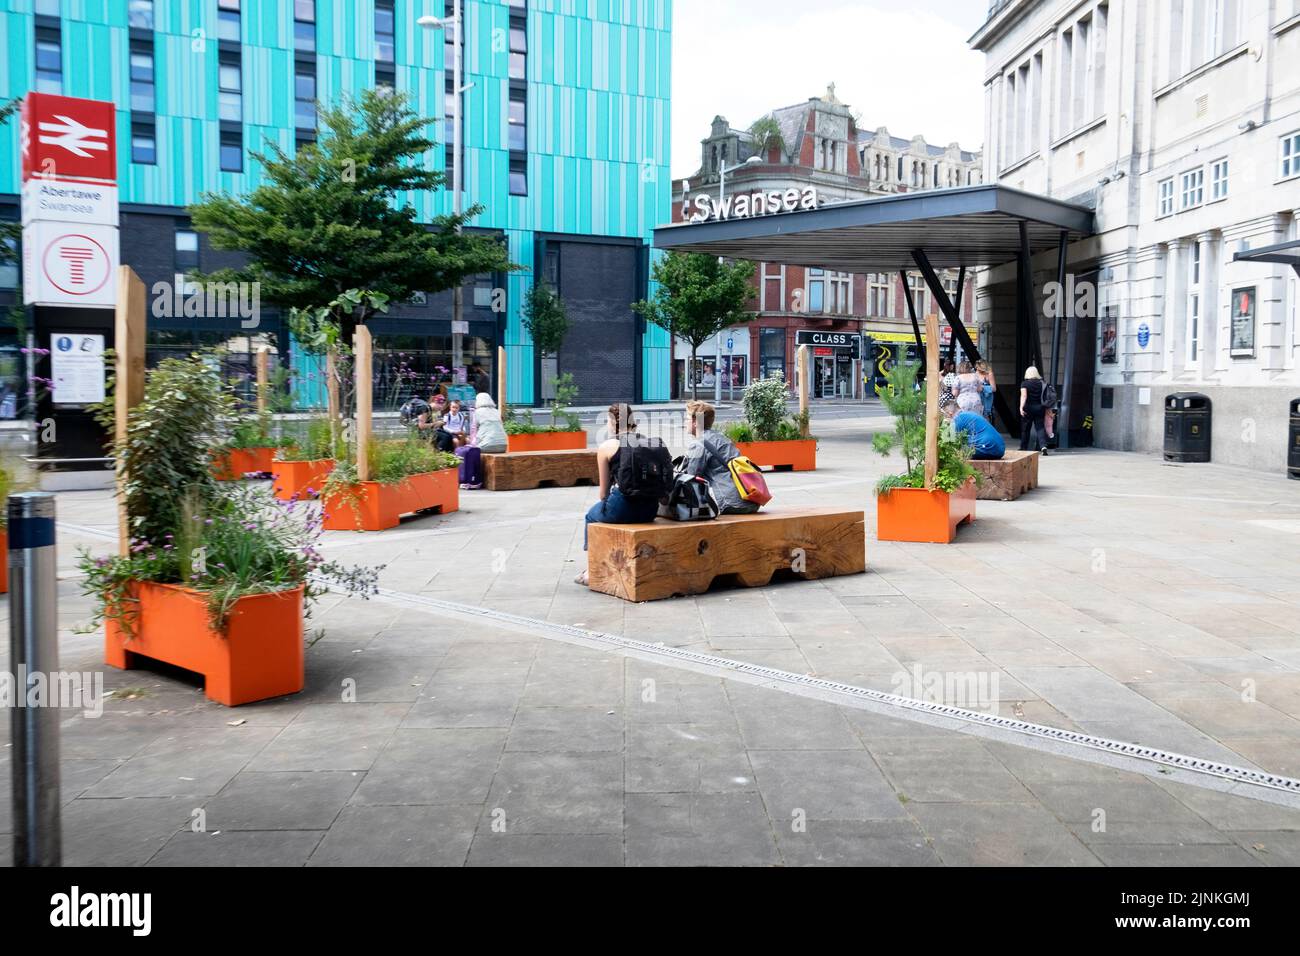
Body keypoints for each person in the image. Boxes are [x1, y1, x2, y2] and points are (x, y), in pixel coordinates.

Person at [575, 403, 664, 585]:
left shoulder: (607, 446)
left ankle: (590, 570)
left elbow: (603, 493)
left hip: (622, 507)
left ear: (611, 422)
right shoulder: (646, 442)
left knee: (590, 516)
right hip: (650, 509)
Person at [681, 399, 758, 516]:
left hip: (729, 502)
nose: (684, 422)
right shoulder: (721, 438)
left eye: (687, 419)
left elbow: (691, 477)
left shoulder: (698, 444)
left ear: (696, 422)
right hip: (749, 501)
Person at [1019, 366, 1049, 454]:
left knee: (1026, 428)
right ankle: (1043, 446)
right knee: (1040, 428)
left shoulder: (1025, 384)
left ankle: (1023, 447)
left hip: (1028, 408)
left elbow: (1024, 396)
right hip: (1040, 408)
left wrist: (1021, 407)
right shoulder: (1042, 383)